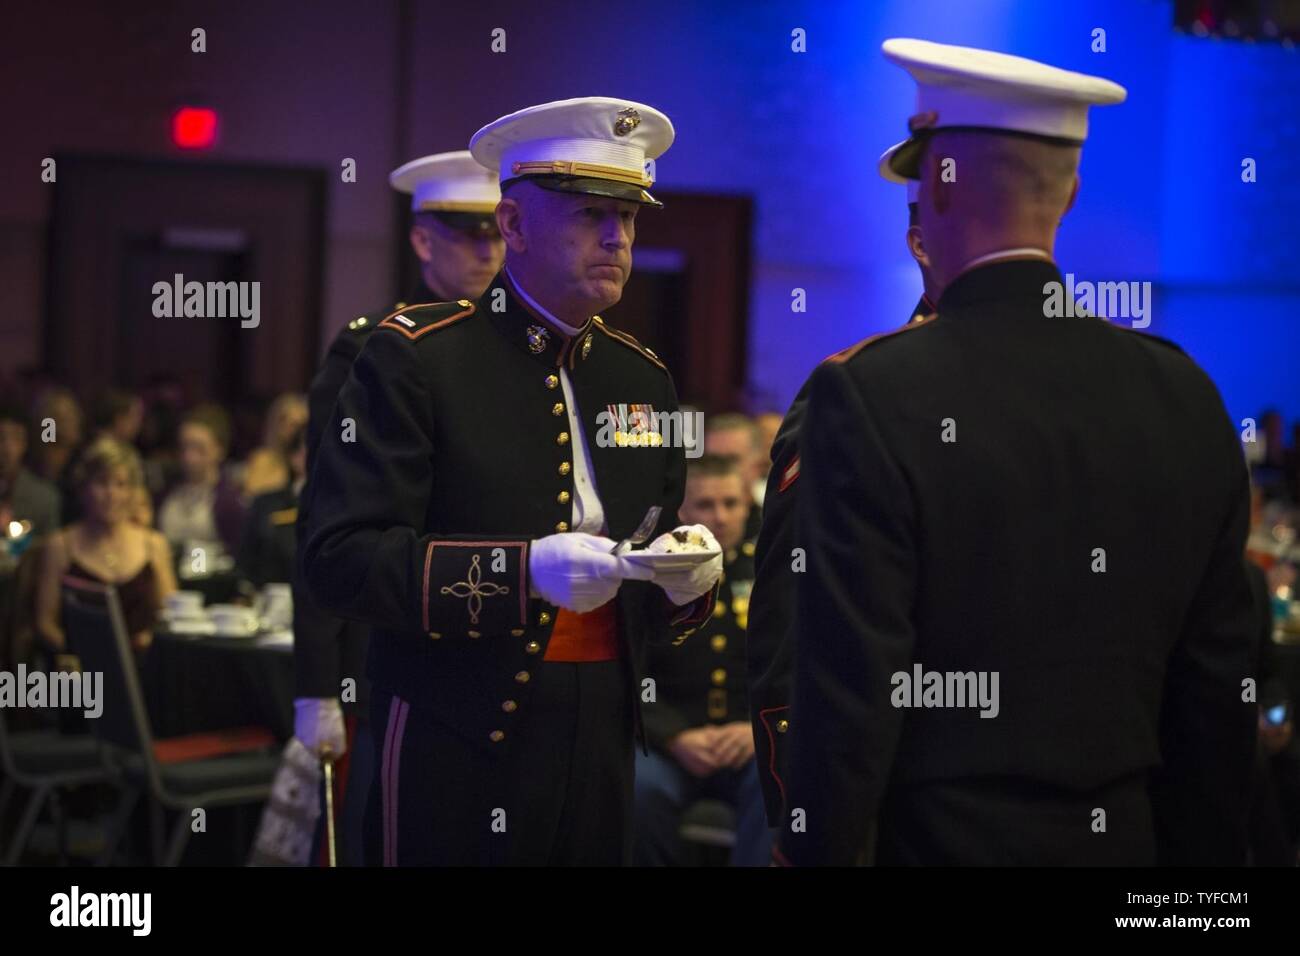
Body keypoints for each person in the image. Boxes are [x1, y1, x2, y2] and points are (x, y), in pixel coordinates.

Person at [770, 38, 1256, 867]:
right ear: (1069, 192)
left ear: (932, 191)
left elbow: (846, 696)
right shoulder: (1185, 394)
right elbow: (1217, 697)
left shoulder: (873, 393)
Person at [301, 97, 722, 865]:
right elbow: (341, 559)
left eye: (628, 219)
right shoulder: (419, 360)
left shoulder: (643, 378)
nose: (615, 238)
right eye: (590, 214)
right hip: (457, 728)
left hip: (601, 733)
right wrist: (518, 571)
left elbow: (652, 599)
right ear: (515, 226)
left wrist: (684, 582)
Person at [292, 150, 505, 866]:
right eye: (467, 233)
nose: (487, 249)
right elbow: (326, 522)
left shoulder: (521, 348)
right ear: (423, 241)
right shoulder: (370, 349)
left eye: (497, 233)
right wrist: (316, 684)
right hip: (387, 642)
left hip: (497, 644)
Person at [747, 173, 939, 830]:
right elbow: (790, 599)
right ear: (922, 242)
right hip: (902, 765)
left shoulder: (1088, 385)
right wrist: (791, 770)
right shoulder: (859, 391)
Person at [634, 454, 772, 865]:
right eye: (705, 505)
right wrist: (673, 735)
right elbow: (631, 671)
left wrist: (756, 729)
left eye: (731, 503)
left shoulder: (776, 570)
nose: (721, 517)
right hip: (669, 744)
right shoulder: (651, 572)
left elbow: (797, 666)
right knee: (637, 791)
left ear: (748, 505)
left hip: (749, 741)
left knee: (785, 784)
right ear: (682, 510)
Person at [35, 436, 176, 654]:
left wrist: (146, 642)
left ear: (132, 491)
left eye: (121, 484)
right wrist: (82, 654)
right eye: (102, 482)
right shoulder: (59, 546)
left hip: (143, 666)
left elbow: (169, 615)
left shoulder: (154, 544)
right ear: (84, 488)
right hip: (80, 672)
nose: (111, 494)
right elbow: (45, 623)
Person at [157, 404, 244, 559]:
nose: (189, 457)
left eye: (199, 449)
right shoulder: (166, 494)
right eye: (184, 448)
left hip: (211, 579)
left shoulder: (230, 502)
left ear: (220, 450)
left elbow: (238, 555)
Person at [237, 424, 306, 590]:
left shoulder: (344, 505)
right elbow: (246, 565)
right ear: (295, 457)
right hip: (269, 601)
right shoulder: (266, 503)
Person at [0, 401, 61, 536]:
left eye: (15, 438)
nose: (7, 448)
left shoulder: (44, 497)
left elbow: (48, 550)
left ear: (25, 444)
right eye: (1, 437)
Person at [240, 393, 307, 499]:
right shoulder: (262, 460)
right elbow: (251, 498)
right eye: (293, 425)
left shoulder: (309, 464)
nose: (298, 432)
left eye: (303, 426)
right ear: (278, 426)